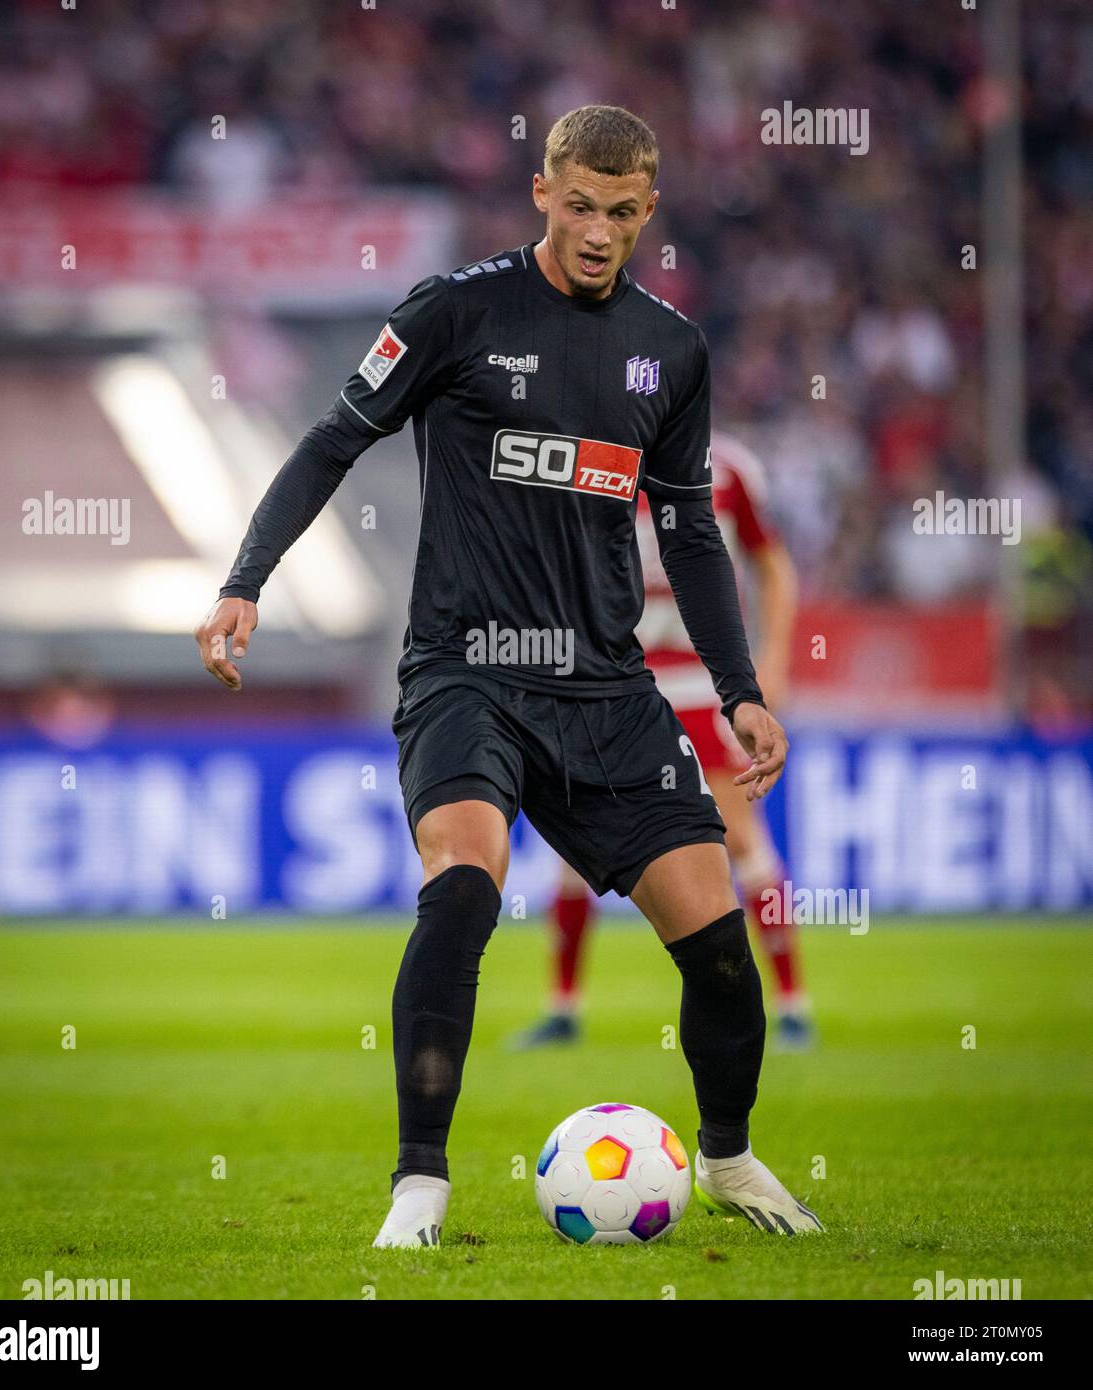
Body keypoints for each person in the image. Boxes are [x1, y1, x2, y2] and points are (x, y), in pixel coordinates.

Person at [195, 105, 823, 1244]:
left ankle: (727, 1158)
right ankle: (419, 1186)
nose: (597, 231)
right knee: (465, 884)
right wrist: (247, 580)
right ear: (542, 192)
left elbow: (690, 532)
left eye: (620, 212)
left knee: (719, 950)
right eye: (578, 205)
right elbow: (333, 438)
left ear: (648, 211)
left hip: (606, 691)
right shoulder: (455, 311)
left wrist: (738, 689)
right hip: (466, 671)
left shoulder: (670, 352)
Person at [513, 431, 813, 1053]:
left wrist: (774, 661)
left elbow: (774, 565)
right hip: (612, 680)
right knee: (574, 840)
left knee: (737, 836)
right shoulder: (589, 455)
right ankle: (563, 1006)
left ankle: (792, 1005)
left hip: (702, 681)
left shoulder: (728, 468)